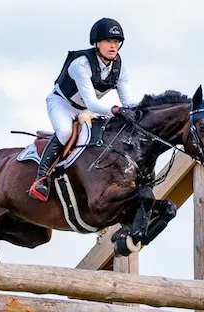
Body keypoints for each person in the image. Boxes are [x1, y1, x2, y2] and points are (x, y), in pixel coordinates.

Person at [28, 17, 138, 201]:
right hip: (62, 104)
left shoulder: (119, 68)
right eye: (108, 41)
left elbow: (129, 102)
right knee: (64, 132)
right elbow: (93, 103)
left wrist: (145, 108)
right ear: (96, 43)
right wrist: (116, 111)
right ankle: (41, 178)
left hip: (85, 111)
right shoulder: (81, 64)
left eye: (116, 41)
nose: (113, 46)